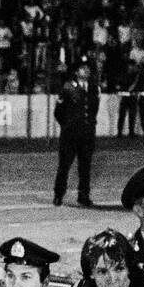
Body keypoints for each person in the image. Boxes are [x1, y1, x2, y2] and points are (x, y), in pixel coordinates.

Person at [53, 59, 99, 208]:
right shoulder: (67, 87)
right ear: (76, 71)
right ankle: (58, 194)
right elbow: (58, 112)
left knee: (85, 167)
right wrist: (67, 126)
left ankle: (83, 195)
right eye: (82, 68)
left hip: (86, 134)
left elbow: (93, 110)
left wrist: (89, 126)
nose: (86, 71)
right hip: (70, 135)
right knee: (64, 166)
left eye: (88, 68)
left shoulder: (93, 88)